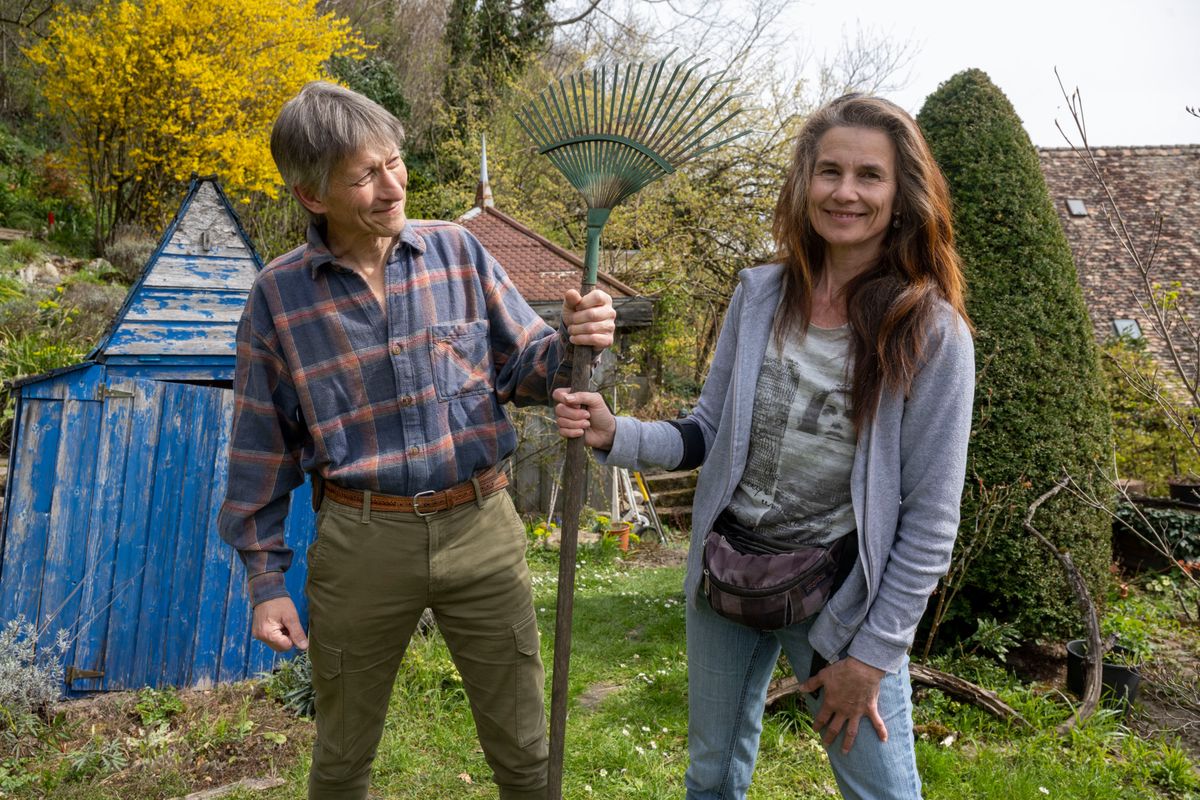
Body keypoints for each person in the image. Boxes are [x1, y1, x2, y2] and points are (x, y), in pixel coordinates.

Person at [552, 93, 974, 799]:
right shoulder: (760, 296)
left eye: (869, 176)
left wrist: (870, 657)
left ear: (902, 196)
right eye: (829, 171)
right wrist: (615, 433)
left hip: (839, 601)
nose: (845, 192)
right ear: (804, 182)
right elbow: (709, 434)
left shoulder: (929, 333)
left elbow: (931, 519)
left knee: (881, 790)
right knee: (711, 776)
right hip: (728, 572)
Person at [217, 81, 616, 800]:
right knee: (342, 760)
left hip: (482, 528)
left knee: (528, 752)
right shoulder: (279, 297)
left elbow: (529, 369)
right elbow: (259, 444)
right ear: (313, 197)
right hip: (362, 541)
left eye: (393, 162)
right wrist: (264, 581)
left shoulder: (457, 253)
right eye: (364, 176)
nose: (391, 185)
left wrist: (575, 344)